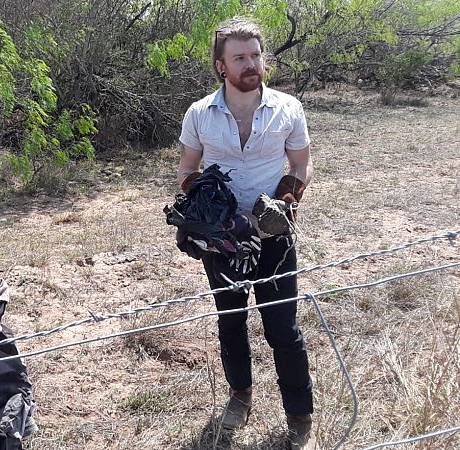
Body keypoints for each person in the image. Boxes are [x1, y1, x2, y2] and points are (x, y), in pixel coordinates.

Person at [175, 17, 316, 450]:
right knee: (230, 322)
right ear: (222, 66)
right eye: (240, 57)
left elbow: (301, 164)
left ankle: (299, 417)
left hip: (273, 237)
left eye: (255, 55)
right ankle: (240, 398)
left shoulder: (288, 107)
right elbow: (187, 169)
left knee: (283, 329)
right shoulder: (200, 113)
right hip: (221, 240)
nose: (251, 63)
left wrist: (286, 203)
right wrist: (202, 212)